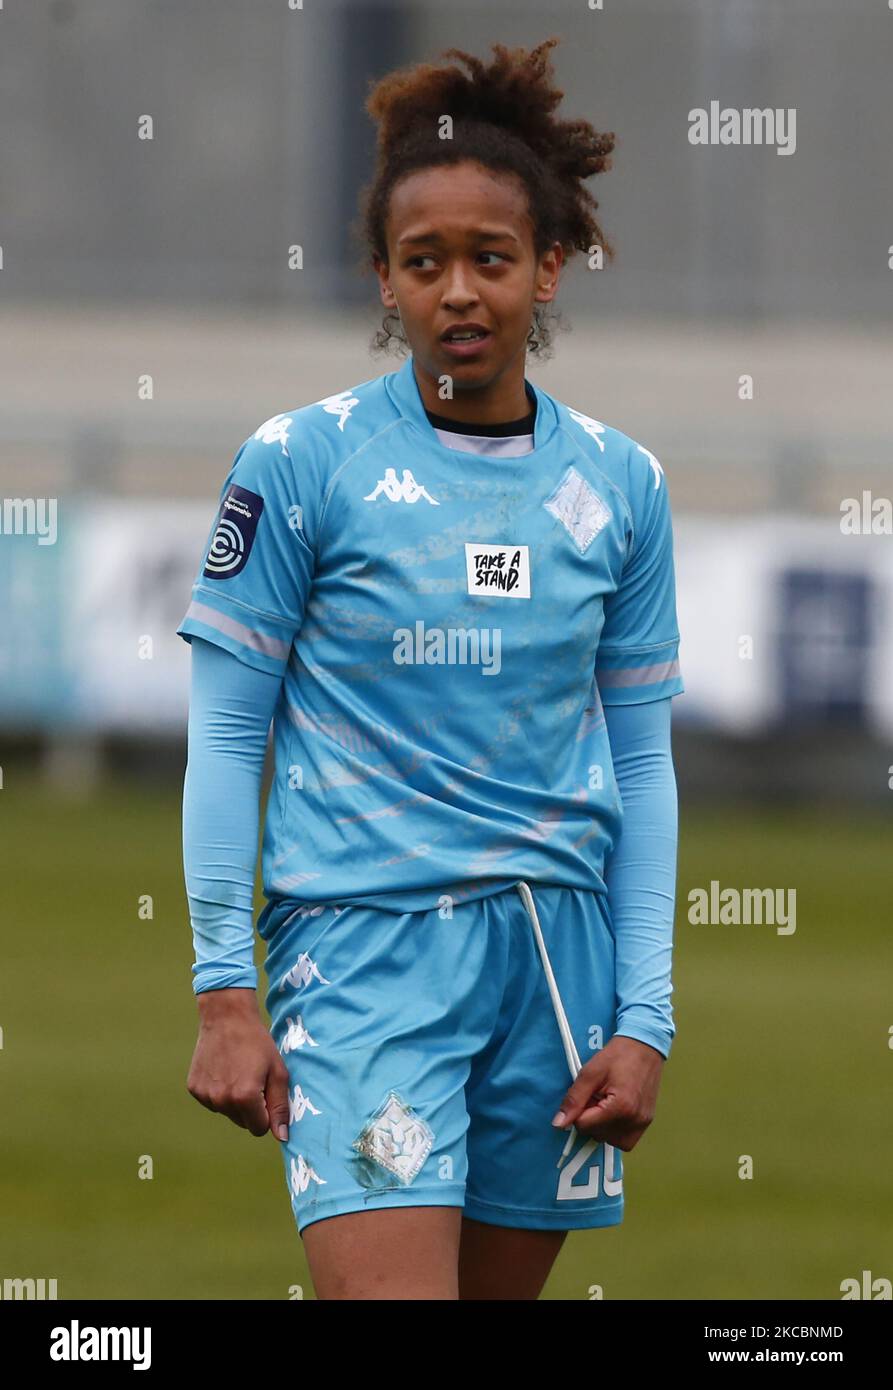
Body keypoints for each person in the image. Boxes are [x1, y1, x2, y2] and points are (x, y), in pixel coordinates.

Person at [177, 36, 684, 1301]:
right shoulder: (299, 463)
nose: (458, 291)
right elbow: (229, 735)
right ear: (385, 283)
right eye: (424, 263)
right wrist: (221, 991)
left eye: (490, 259)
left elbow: (637, 758)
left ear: (549, 270)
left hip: (555, 965)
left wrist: (645, 1016)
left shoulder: (621, 486)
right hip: (361, 951)